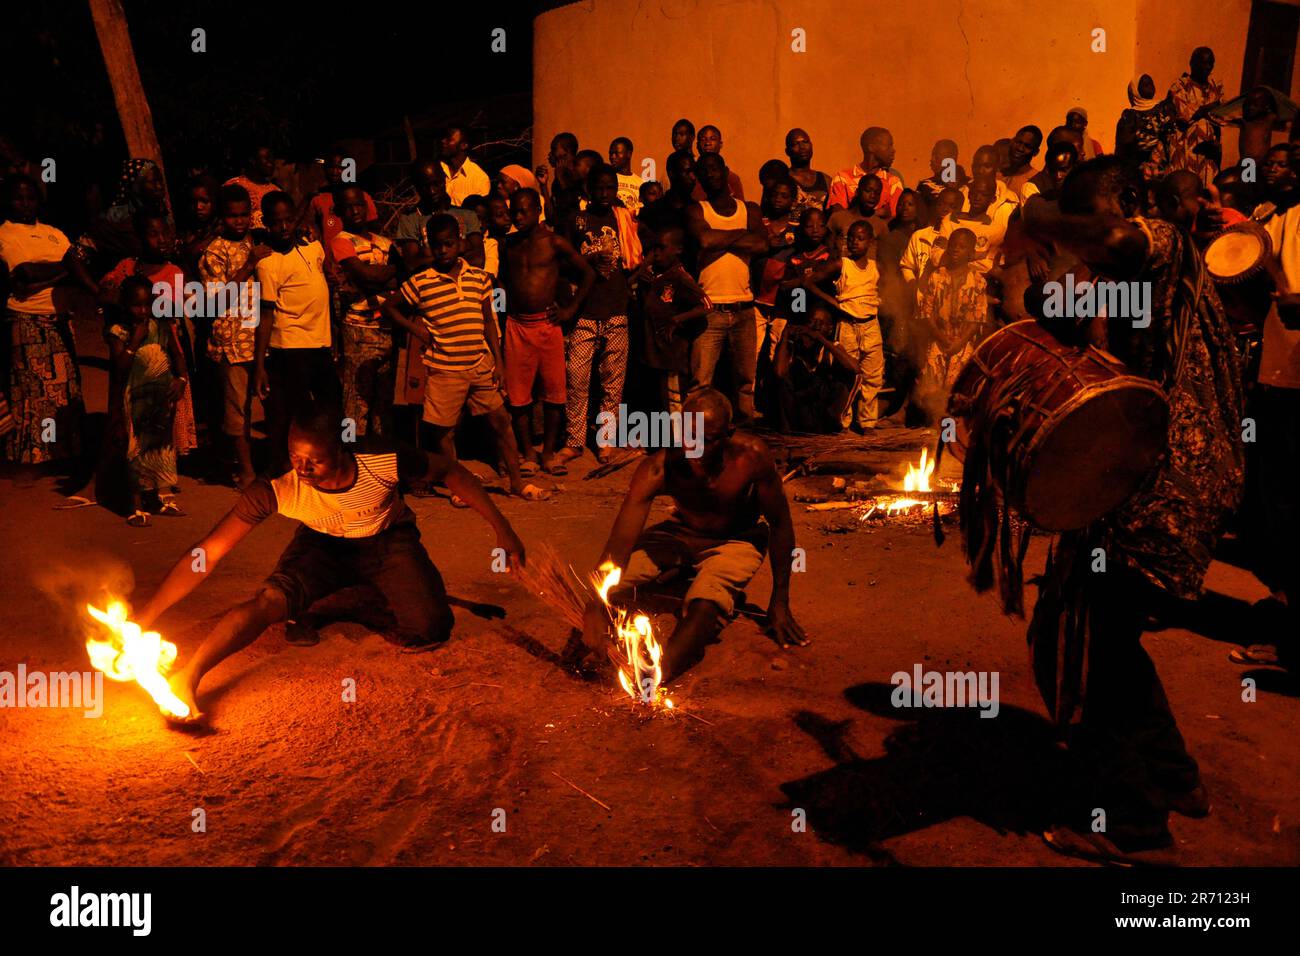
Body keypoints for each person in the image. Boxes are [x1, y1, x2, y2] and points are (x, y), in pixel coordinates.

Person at [1018, 155, 1245, 862]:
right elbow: (1054, 314)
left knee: (1103, 644)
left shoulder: (1168, 246)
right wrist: (1043, 280)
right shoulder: (1128, 282)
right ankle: (1175, 777)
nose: (1087, 237)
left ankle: (1135, 822)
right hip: (1148, 477)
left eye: (1091, 215)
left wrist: (1038, 216)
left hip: (1172, 481)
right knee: (1110, 632)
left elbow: (1115, 243)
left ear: (1127, 203)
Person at [133, 405, 527, 724]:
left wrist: (503, 529)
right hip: (321, 545)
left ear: (342, 451)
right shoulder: (276, 487)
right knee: (269, 602)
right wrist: (147, 615)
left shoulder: (382, 460)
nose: (302, 470)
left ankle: (345, 596)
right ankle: (190, 676)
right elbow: (208, 553)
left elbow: (451, 472)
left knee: (430, 627)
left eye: (314, 461)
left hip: (388, 540)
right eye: (294, 457)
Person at [581, 388, 807, 680]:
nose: (693, 448)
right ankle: (675, 577)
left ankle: (655, 675)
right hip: (679, 534)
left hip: (735, 540)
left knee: (704, 605)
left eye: (705, 439)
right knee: (612, 587)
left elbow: (780, 524)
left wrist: (779, 601)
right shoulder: (659, 467)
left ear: (728, 434)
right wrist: (597, 602)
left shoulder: (751, 458)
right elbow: (620, 541)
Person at [382, 214, 545, 502]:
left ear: (459, 242)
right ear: (428, 246)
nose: (443, 250)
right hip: (444, 369)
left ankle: (517, 482)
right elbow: (391, 308)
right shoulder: (421, 282)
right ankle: (459, 487)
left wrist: (499, 363)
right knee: (444, 432)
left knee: (501, 422)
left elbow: (488, 322)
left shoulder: (479, 278)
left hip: (479, 365)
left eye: (448, 244)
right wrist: (416, 330)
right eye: (436, 245)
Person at [0, 174, 98, 468]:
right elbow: (24, 272)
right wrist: (67, 269)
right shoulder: (5, 235)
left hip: (60, 318)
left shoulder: (55, 233)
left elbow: (79, 265)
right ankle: (35, 457)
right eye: (19, 197)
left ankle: (63, 451)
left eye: (31, 197)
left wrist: (57, 272)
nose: (26, 203)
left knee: (63, 389)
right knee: (34, 392)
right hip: (27, 318)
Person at [499, 188, 595, 474]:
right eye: (514, 211)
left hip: (547, 325)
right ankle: (528, 453)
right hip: (517, 326)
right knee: (518, 397)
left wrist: (569, 310)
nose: (518, 216)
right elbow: (503, 280)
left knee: (555, 394)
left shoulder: (554, 243)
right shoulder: (509, 244)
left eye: (524, 210)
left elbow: (588, 273)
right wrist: (501, 309)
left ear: (538, 211)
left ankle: (549, 453)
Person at [252, 191, 342, 474]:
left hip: (320, 344)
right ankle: (284, 472)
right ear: (266, 223)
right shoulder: (267, 263)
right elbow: (265, 316)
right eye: (276, 222)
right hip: (290, 347)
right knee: (294, 415)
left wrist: (334, 337)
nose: (283, 227)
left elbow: (326, 292)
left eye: (289, 220)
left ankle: (330, 462)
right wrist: (260, 366)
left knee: (332, 407)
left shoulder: (312, 247)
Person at [556, 164, 640, 467]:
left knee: (612, 383)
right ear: (588, 190)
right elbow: (561, 263)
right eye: (599, 188)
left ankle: (605, 442)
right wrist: (587, 260)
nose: (605, 194)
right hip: (584, 311)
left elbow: (639, 257)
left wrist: (627, 285)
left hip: (616, 309)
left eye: (610, 188)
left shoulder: (624, 219)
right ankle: (575, 441)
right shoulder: (576, 220)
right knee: (577, 379)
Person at [99, 213, 199, 462]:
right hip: (128, 350)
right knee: (127, 408)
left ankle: (161, 467)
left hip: (163, 348)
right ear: (141, 238)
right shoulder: (127, 267)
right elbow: (105, 292)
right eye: (153, 234)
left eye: (165, 233)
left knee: (163, 411)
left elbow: (176, 307)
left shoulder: (174, 271)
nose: (162, 240)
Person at [686, 152, 767, 423]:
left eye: (715, 168)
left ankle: (744, 441)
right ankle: (696, 442)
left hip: (744, 309)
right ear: (698, 177)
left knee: (745, 383)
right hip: (710, 310)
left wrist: (721, 238)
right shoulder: (697, 210)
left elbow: (762, 245)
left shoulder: (750, 210)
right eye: (704, 170)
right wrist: (741, 235)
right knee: (701, 384)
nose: (710, 174)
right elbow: (705, 240)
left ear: (726, 170)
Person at [102, 277, 189, 525]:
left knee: (161, 447)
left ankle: (159, 499)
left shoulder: (160, 325)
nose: (142, 311)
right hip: (134, 398)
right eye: (136, 305)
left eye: (146, 305)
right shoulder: (117, 332)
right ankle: (135, 506)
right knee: (135, 449)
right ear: (125, 305)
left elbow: (177, 355)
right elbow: (119, 368)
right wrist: (135, 341)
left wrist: (181, 379)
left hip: (161, 397)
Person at [199, 184, 268, 486]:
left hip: (260, 339)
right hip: (231, 341)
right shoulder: (214, 251)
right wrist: (249, 265)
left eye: (244, 215)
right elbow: (216, 300)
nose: (238, 221)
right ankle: (246, 470)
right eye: (232, 216)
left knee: (261, 406)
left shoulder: (257, 240)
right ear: (222, 217)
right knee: (237, 411)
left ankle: (264, 463)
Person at [801, 220, 884, 430]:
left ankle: (867, 423)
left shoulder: (876, 267)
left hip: (871, 326)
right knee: (846, 375)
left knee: (872, 376)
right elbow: (808, 282)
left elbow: (880, 292)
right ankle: (843, 422)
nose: (855, 242)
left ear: (870, 241)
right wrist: (833, 302)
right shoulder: (841, 264)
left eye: (860, 238)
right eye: (851, 238)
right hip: (848, 324)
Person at [331, 184, 398, 439]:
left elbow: (394, 279)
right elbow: (365, 276)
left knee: (383, 401)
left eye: (359, 204)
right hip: (358, 329)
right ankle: (351, 454)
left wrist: (380, 277)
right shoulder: (341, 241)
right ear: (338, 212)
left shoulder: (384, 242)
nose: (355, 211)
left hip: (386, 326)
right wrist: (388, 275)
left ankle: (379, 456)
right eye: (347, 207)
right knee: (356, 398)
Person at [914, 227, 988, 417]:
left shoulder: (978, 282)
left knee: (956, 390)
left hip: (962, 344)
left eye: (962, 247)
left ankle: (949, 434)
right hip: (938, 341)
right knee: (932, 389)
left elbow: (977, 320)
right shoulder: (936, 276)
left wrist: (958, 343)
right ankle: (933, 430)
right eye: (953, 245)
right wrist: (941, 337)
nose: (956, 250)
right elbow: (926, 312)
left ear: (971, 253)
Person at [639, 226, 711, 415]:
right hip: (653, 352)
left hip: (671, 354)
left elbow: (707, 305)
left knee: (674, 400)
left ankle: (678, 442)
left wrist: (676, 320)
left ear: (677, 249)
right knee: (658, 401)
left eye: (662, 248)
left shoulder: (680, 277)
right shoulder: (652, 275)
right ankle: (663, 440)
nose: (657, 254)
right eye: (654, 248)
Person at [774, 306, 864, 433]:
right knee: (783, 381)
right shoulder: (794, 347)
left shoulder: (833, 348)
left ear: (830, 329)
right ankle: (788, 430)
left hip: (823, 416)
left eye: (821, 323)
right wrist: (784, 337)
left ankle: (835, 426)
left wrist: (820, 339)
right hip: (802, 413)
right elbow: (779, 373)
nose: (815, 327)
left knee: (843, 378)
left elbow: (855, 369)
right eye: (811, 322)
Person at [393, 158, 485, 271]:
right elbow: (412, 265)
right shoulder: (409, 219)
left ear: (444, 179)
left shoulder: (467, 215)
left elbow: (478, 259)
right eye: (425, 186)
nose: (432, 191)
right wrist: (458, 251)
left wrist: (427, 254)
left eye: (436, 184)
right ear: (416, 188)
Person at [1167, 46, 1225, 187]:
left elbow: (1222, 117)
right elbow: (1185, 114)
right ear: (1192, 63)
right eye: (1203, 62)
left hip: (1209, 154)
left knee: (1207, 192)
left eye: (1210, 63)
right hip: (1186, 152)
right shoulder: (1179, 86)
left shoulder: (1215, 87)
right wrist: (1211, 108)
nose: (1207, 67)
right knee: (1186, 190)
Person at [1116, 73, 1177, 186]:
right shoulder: (1130, 117)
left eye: (1151, 83)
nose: (1150, 86)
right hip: (1140, 172)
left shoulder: (1165, 108)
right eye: (1145, 84)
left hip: (1165, 170)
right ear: (1135, 91)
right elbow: (1124, 146)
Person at [829, 127, 903, 217]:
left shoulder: (893, 182)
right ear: (871, 147)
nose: (893, 150)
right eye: (889, 145)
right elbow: (839, 216)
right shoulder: (842, 179)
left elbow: (894, 217)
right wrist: (877, 213)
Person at [224, 145, 279, 234]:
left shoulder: (277, 192)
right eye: (266, 158)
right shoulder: (234, 185)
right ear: (253, 160)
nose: (271, 162)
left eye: (272, 158)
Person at [828, 175, 885, 252]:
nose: (872, 196)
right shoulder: (838, 218)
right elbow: (828, 249)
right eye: (868, 191)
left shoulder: (881, 226)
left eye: (877, 193)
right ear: (857, 192)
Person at [783, 128, 830, 221]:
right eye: (795, 144)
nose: (802, 147)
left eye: (805, 142)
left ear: (811, 145)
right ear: (787, 151)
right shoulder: (782, 179)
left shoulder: (826, 179)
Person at [440, 123, 491, 207]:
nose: (443, 141)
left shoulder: (480, 179)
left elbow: (477, 216)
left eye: (449, 139)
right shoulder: (437, 168)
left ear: (464, 145)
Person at [692, 126, 746, 200]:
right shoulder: (691, 175)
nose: (707, 143)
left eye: (713, 139)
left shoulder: (731, 178)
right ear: (697, 145)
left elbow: (740, 207)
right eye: (703, 139)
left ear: (720, 144)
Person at [916, 139, 969, 207]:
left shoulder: (969, 185)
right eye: (932, 155)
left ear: (951, 159)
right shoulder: (925, 186)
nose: (932, 159)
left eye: (937, 156)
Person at [1002, 125, 1043, 201]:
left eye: (1027, 146)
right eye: (1018, 142)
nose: (1020, 148)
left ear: (1035, 152)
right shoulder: (998, 173)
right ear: (1012, 141)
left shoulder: (1035, 181)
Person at [608, 137, 644, 214]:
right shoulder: (608, 179)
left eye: (617, 153)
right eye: (611, 153)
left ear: (629, 154)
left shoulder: (640, 183)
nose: (612, 157)